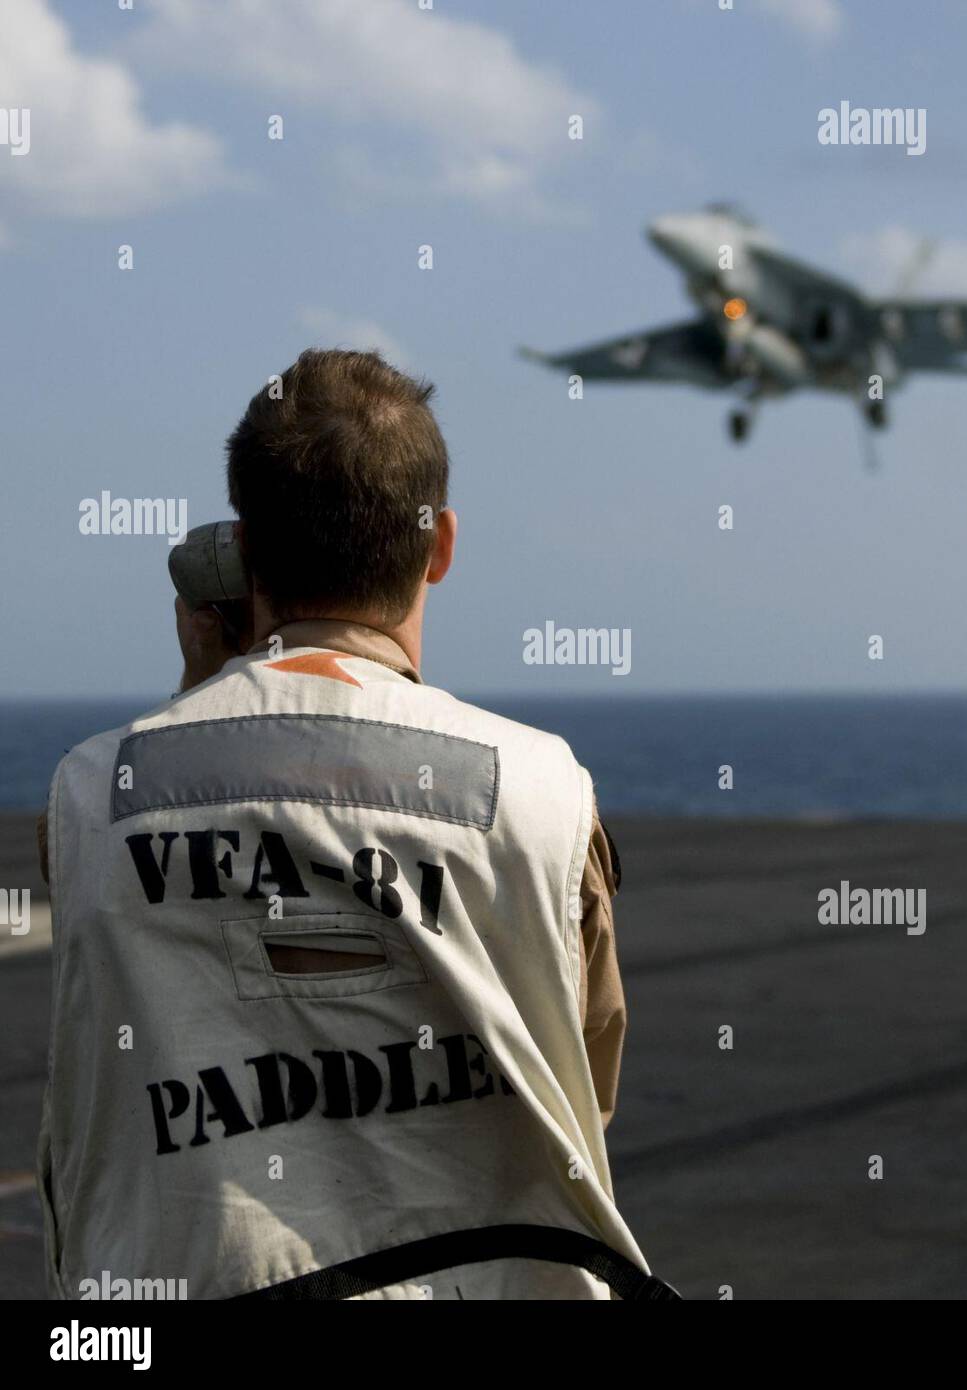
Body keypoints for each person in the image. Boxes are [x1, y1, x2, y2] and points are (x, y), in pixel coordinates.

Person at [37, 349, 661, 1300]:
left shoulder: (93, 793)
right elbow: (582, 1078)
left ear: (243, 553)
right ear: (439, 544)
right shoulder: (544, 790)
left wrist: (204, 693)